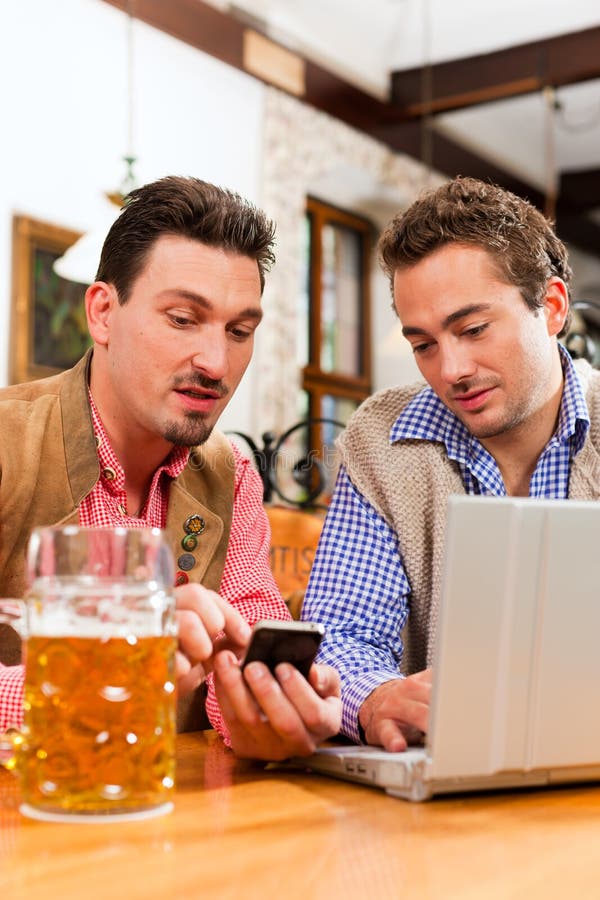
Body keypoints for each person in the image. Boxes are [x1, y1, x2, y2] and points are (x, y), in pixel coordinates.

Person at [0, 175, 341, 760]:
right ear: (104, 312)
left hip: (174, 823)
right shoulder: (10, 446)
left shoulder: (231, 473)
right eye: (183, 319)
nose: (216, 363)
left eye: (239, 332)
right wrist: (105, 677)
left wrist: (260, 711)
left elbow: (240, 655)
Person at [302, 175, 600, 752]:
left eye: (472, 329)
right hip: (440, 790)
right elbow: (342, 634)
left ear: (553, 307)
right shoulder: (380, 438)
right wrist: (375, 698)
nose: (451, 370)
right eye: (423, 344)